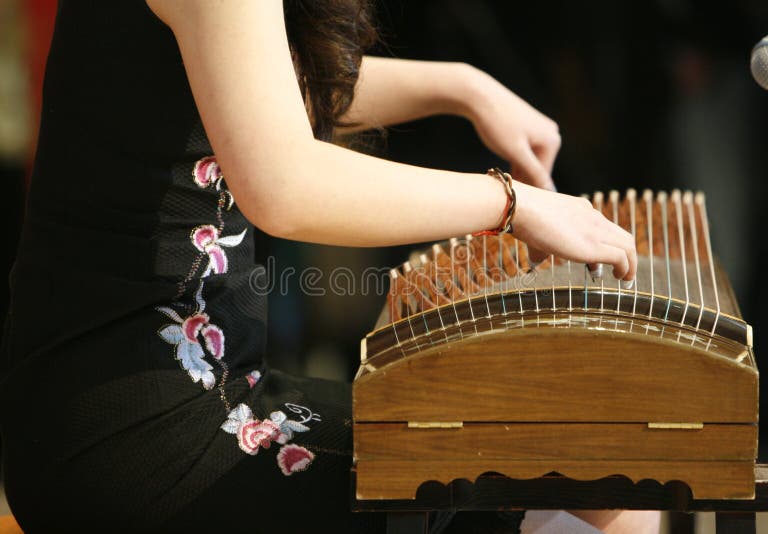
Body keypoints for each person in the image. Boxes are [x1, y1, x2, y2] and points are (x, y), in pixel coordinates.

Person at [0, 1, 649, 532]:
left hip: (149, 399)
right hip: (140, 435)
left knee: (600, 486)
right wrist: (512, 203)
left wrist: (463, 87)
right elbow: (282, 183)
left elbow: (265, 96)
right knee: (595, 501)